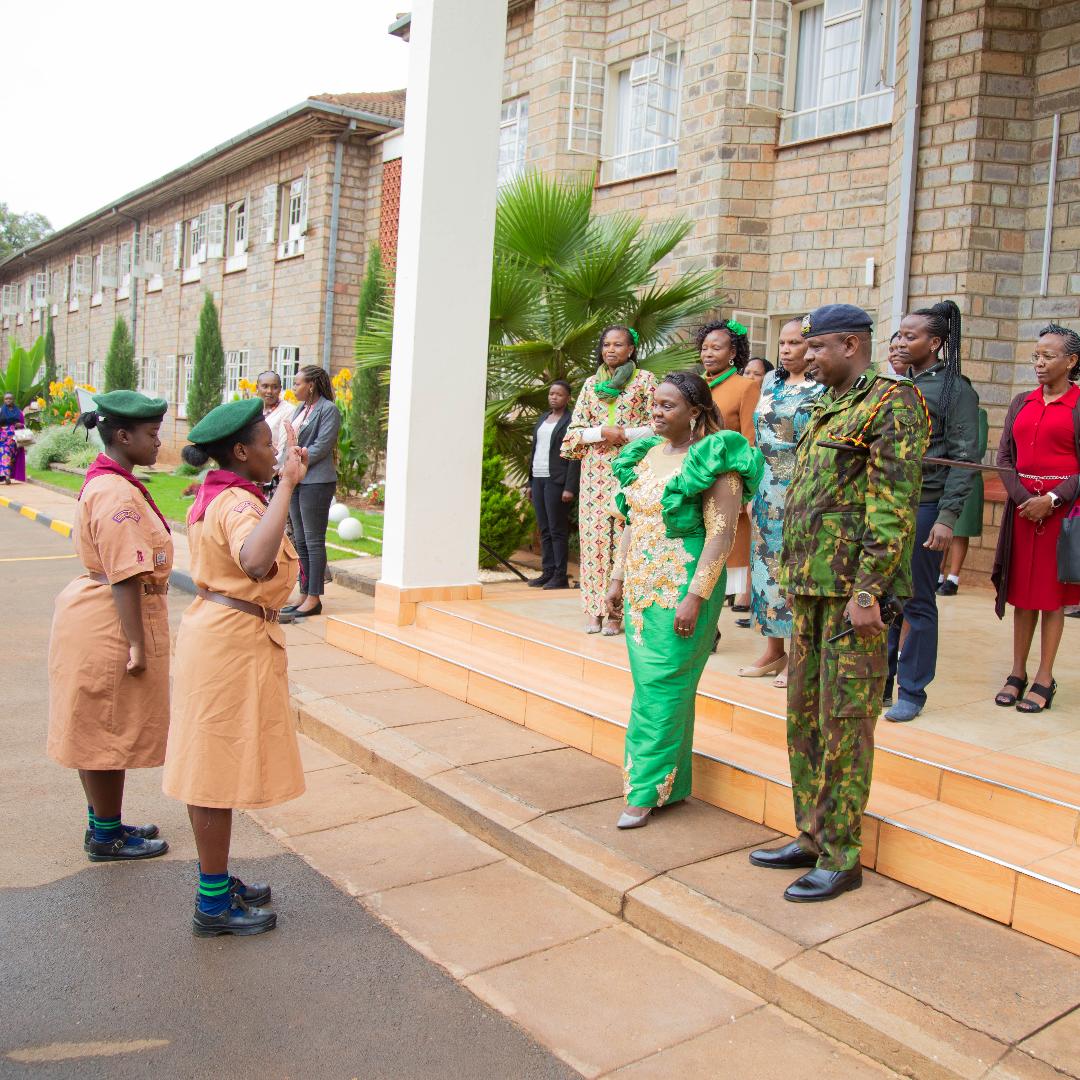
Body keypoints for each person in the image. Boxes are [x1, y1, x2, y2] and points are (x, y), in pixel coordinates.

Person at [750, 304, 928, 902]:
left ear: (850, 345)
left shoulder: (891, 404)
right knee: (803, 715)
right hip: (809, 586)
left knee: (846, 721)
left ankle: (842, 855)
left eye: (816, 347)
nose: (804, 356)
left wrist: (868, 590)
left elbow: (893, 504)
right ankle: (812, 833)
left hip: (851, 594)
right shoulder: (826, 404)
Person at [163, 397, 307, 937]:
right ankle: (212, 904)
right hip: (228, 645)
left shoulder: (224, 493)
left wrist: (278, 486)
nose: (274, 452)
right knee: (213, 773)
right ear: (241, 451)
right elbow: (254, 561)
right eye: (267, 445)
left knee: (216, 767)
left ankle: (218, 881)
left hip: (223, 637)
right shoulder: (237, 505)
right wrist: (289, 485)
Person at [605, 372, 763, 829]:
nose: (656, 412)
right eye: (654, 404)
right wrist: (616, 578)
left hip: (685, 586)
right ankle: (667, 784)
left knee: (663, 686)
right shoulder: (644, 455)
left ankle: (642, 791)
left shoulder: (716, 456)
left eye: (667, 405)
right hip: (641, 587)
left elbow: (722, 533)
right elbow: (633, 522)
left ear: (694, 412)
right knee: (654, 687)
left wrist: (696, 597)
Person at [46, 391, 172, 862]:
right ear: (123, 436)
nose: (159, 443)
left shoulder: (110, 481)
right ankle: (106, 836)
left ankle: (107, 823)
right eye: (152, 435)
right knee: (104, 733)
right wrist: (136, 645)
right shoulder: (116, 493)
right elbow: (125, 573)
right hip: (111, 622)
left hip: (100, 615)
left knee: (100, 729)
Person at [884, 301, 979, 723]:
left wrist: (946, 517)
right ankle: (879, 683)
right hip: (888, 505)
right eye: (900, 334)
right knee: (881, 594)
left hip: (925, 506)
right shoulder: (899, 384)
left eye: (911, 336)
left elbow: (964, 458)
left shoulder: (957, 390)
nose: (901, 342)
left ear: (936, 343)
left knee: (916, 601)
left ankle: (913, 690)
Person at [992, 323, 1080, 713]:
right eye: (1036, 356)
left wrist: (1052, 498)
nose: (1039, 363)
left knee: (1051, 598)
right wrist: (1025, 498)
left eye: (1048, 356)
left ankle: (1044, 676)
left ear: (1071, 361)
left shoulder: (1078, 405)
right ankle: (1016, 671)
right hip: (1023, 512)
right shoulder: (1021, 402)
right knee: (1023, 596)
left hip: (1060, 517)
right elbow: (1005, 458)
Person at [741, 318, 824, 687]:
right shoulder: (771, 381)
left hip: (801, 486)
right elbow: (757, 436)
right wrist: (751, 486)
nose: (787, 350)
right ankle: (774, 650)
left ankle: (801, 654)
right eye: (783, 343)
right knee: (765, 569)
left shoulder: (823, 386)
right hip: (765, 487)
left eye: (795, 343)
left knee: (795, 569)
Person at [561, 326, 656, 634]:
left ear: (631, 349)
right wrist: (601, 432)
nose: (611, 349)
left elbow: (658, 425)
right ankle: (595, 610)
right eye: (606, 344)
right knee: (594, 542)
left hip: (633, 469)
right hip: (595, 475)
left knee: (626, 541)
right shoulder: (591, 385)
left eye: (618, 344)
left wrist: (624, 435)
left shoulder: (645, 381)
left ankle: (618, 613)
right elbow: (573, 431)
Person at [697, 319, 760, 615]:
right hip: (693, 481)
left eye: (717, 347)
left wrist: (742, 493)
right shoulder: (695, 385)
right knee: (695, 556)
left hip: (726, 483)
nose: (708, 353)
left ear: (733, 352)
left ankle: (712, 628)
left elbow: (749, 443)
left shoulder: (746, 387)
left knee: (722, 560)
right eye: (705, 347)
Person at [284, 364, 340, 619]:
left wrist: (301, 455)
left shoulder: (328, 410)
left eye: (297, 383)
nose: (294, 388)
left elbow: (322, 445)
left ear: (311, 385)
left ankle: (314, 598)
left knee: (313, 540)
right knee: (300, 541)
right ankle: (304, 592)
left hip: (316, 481)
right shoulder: (301, 409)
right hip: (298, 479)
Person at [528, 380, 580, 590]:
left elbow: (574, 456)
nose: (553, 397)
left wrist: (569, 487)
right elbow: (535, 451)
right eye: (551, 394)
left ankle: (560, 575)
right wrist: (530, 482)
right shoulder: (543, 419)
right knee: (544, 529)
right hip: (538, 478)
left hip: (557, 480)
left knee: (557, 530)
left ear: (567, 398)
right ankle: (547, 571)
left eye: (559, 394)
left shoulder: (571, 422)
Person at [938, 404, 988, 595]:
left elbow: (979, 447)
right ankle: (938, 574)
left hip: (967, 476)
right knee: (939, 524)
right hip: (943, 476)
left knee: (960, 530)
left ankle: (953, 578)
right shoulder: (945, 410)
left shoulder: (978, 413)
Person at [256, 370, 293, 475]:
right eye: (265, 386)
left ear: (280, 389)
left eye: (274, 387)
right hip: (252, 470)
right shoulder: (252, 410)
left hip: (272, 472)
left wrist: (271, 471)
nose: (269, 391)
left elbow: (283, 446)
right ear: (257, 388)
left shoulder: (287, 411)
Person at [0, 392, 27, 484]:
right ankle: (6, 476)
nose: (8, 400)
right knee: (5, 455)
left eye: (10, 399)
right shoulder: (1, 411)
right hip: (3, 438)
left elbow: (23, 424)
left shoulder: (18, 412)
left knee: (12, 457)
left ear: (13, 400)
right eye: (6, 399)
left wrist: (20, 425)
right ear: (4, 400)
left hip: (15, 438)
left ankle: (10, 474)